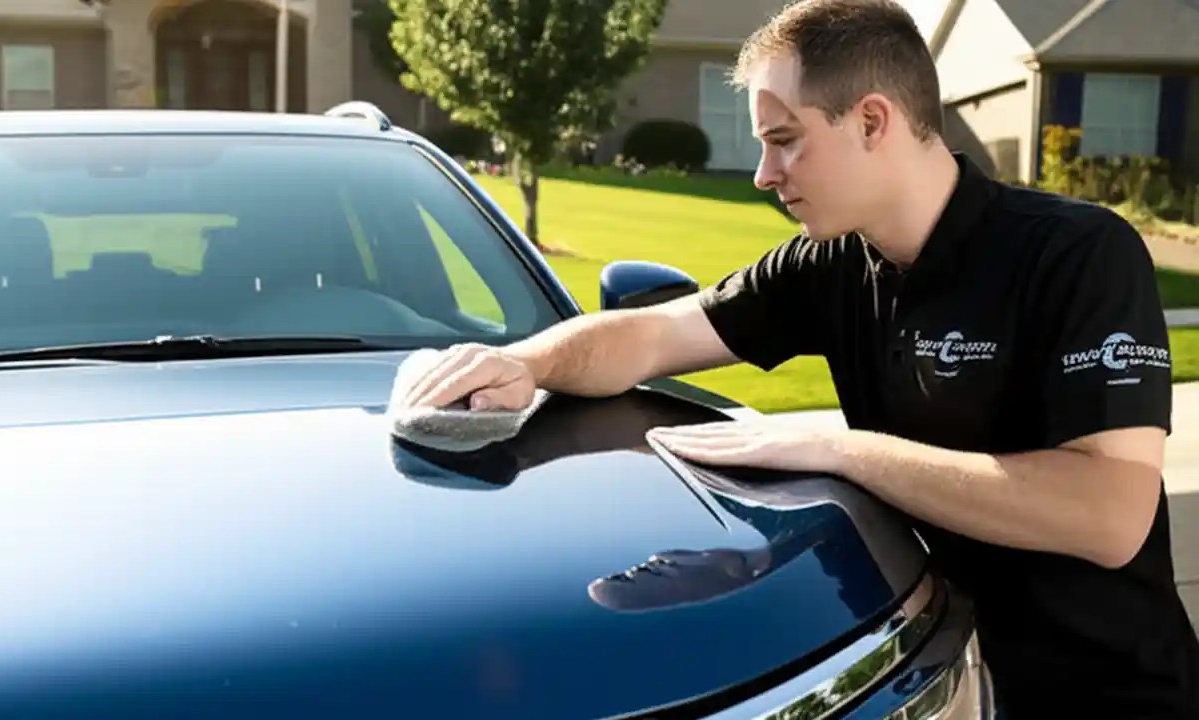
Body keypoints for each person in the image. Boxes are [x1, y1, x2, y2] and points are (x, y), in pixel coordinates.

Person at [398, 0, 1199, 715]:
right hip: (950, 674)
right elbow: (654, 334)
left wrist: (837, 449)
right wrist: (525, 364)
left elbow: (1109, 514)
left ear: (873, 121)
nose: (762, 174)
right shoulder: (833, 266)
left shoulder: (1078, 254)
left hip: (1119, 692)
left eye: (785, 140)